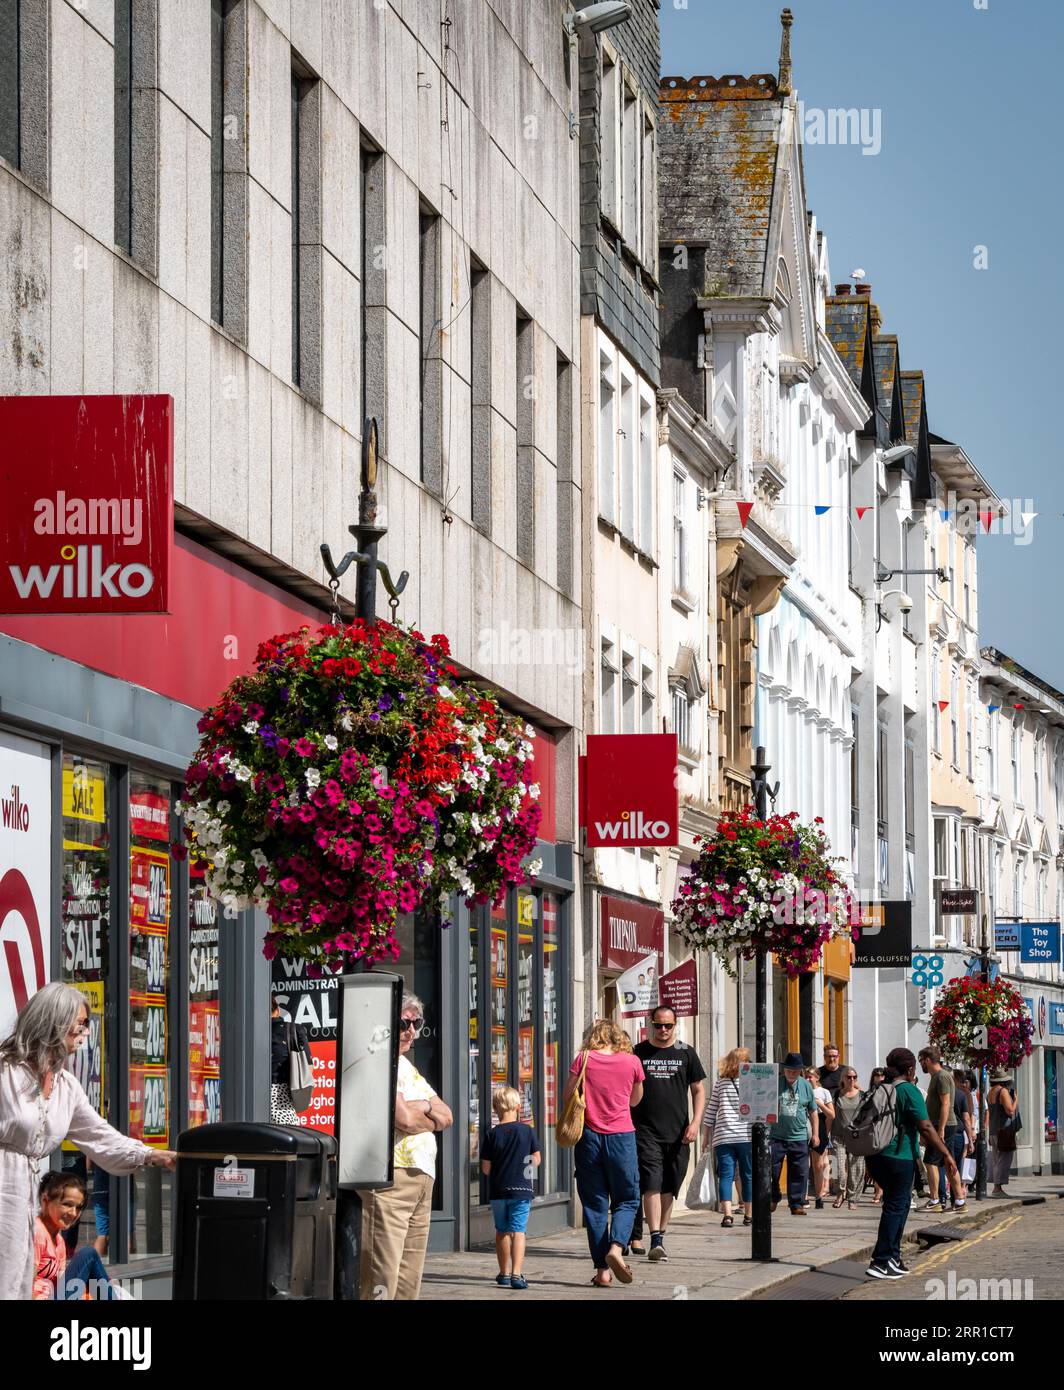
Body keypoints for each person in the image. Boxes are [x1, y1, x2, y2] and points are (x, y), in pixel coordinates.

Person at [0, 982, 176, 1301]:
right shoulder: (6, 1071)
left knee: (14, 1280)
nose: (84, 1031)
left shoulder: (66, 1086)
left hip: (22, 1194)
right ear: (54, 1020)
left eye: (86, 1024)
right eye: (79, 1023)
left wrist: (153, 1155)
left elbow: (100, 1136)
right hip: (3, 1187)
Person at [358, 991, 453, 1300]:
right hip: (391, 1177)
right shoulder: (377, 1059)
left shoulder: (407, 1067)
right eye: (404, 1023)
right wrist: (426, 1113)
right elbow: (405, 1121)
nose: (411, 1031)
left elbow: (447, 1115)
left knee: (410, 1275)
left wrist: (422, 1104)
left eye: (417, 1023)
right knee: (381, 1274)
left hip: (422, 1178)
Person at [864, 1047, 959, 1280]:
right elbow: (925, 1126)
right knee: (896, 1207)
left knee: (901, 1204)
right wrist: (946, 1154)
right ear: (909, 1069)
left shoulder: (880, 1088)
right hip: (899, 1157)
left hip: (875, 1156)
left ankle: (894, 1258)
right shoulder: (909, 1091)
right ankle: (880, 1261)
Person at [562, 1019, 644, 1287]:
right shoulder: (632, 1062)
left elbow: (567, 1095)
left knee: (595, 1206)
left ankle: (602, 1272)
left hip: (589, 1138)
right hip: (622, 1137)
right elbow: (635, 1100)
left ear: (593, 1037)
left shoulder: (583, 1058)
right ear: (619, 1037)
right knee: (627, 1199)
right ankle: (617, 1249)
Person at [631, 1004, 706, 1261]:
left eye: (668, 1025)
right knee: (651, 1181)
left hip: (678, 1133)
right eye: (659, 1025)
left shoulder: (686, 1052)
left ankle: (660, 1233)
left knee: (670, 1186)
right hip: (645, 1130)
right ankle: (655, 1237)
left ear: (675, 1025)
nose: (663, 1030)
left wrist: (695, 1123)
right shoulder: (638, 1052)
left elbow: (698, 1090)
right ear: (651, 1023)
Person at [480, 1086, 541, 1291]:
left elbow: (486, 1169)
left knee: (502, 1231)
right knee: (519, 1231)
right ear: (517, 1106)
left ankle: (504, 1273)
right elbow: (536, 1159)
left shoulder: (491, 1134)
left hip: (499, 1192)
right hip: (522, 1190)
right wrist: (524, 1167)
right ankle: (517, 1273)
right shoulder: (527, 1131)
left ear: (495, 1108)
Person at [33, 1173, 125, 1301]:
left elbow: (62, 1282)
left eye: (79, 1207)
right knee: (88, 1254)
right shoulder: (37, 1232)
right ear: (46, 1201)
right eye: (67, 1204)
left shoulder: (59, 1241)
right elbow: (23, 1283)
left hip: (56, 1295)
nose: (73, 1213)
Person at [702, 1046, 753, 1227]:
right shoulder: (752, 1083)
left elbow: (711, 1111)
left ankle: (728, 1215)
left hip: (723, 1136)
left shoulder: (721, 1083)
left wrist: (705, 1138)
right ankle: (748, 1214)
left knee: (725, 1175)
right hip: (746, 1136)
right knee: (747, 1175)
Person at [770, 1053, 819, 1216]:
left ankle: (796, 1203)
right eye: (789, 1070)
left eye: (795, 1071)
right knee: (771, 1169)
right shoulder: (775, 1083)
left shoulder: (806, 1086)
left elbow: (813, 1111)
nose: (792, 1073)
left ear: (800, 1071)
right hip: (777, 1135)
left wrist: (816, 1134)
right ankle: (774, 1195)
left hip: (798, 1136)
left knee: (799, 1171)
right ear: (784, 1070)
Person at [918, 1046, 964, 1212]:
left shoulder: (942, 1077)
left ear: (928, 1060)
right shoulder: (937, 1076)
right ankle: (959, 1201)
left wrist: (941, 1129)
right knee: (948, 1161)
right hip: (940, 1125)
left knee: (930, 1162)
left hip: (943, 1125)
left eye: (921, 1061)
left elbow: (946, 1103)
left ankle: (935, 1200)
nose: (920, 1065)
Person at [270, 995, 313, 1124]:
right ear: (277, 1010)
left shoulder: (247, 1033)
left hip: (251, 1099)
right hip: (281, 1100)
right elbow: (308, 1067)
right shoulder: (294, 1029)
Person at [830, 1066, 865, 1209]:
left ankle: (853, 1198)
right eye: (849, 1077)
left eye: (854, 1077)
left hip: (857, 1137)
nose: (852, 1079)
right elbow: (831, 1116)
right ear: (843, 1079)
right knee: (838, 1166)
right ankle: (840, 1194)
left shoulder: (862, 1095)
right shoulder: (837, 1094)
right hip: (839, 1136)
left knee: (856, 1168)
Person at [805, 1067, 835, 1209]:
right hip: (804, 1123)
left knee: (818, 1165)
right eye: (806, 1076)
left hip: (820, 1124)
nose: (808, 1079)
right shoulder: (802, 1089)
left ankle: (818, 1196)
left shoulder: (824, 1092)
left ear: (817, 1077)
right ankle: (803, 1196)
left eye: (810, 1076)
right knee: (804, 1164)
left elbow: (832, 1115)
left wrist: (820, 1104)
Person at [987, 1068, 1019, 1196]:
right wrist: (1016, 1099)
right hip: (1004, 1130)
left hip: (994, 1130)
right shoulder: (1003, 1091)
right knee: (1004, 1159)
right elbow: (1010, 1111)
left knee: (996, 1158)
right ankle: (997, 1188)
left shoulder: (990, 1092)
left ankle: (996, 1186)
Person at [951, 1069, 976, 1201]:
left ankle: (959, 1190)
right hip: (962, 1132)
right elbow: (968, 1116)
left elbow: (969, 1115)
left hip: (958, 1132)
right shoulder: (964, 1093)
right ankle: (960, 1191)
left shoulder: (960, 1093)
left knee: (954, 1164)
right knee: (959, 1163)